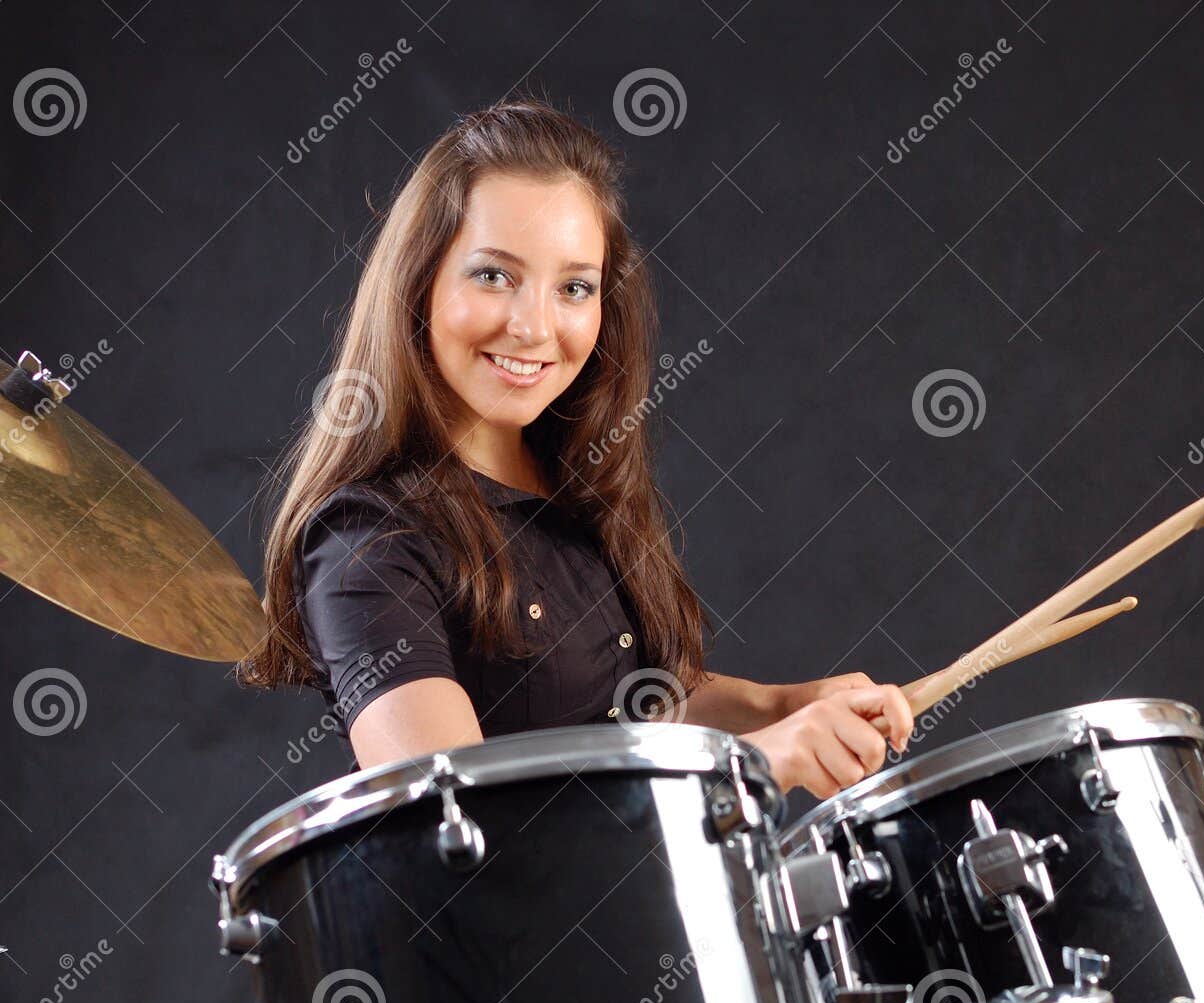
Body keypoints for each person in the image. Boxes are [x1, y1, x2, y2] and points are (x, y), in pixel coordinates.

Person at [238, 97, 912, 798]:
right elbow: (456, 819)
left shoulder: (573, 486)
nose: (535, 327)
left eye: (574, 287)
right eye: (494, 274)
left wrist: (780, 707)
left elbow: (625, 708)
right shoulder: (368, 543)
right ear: (419, 283)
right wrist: (753, 763)